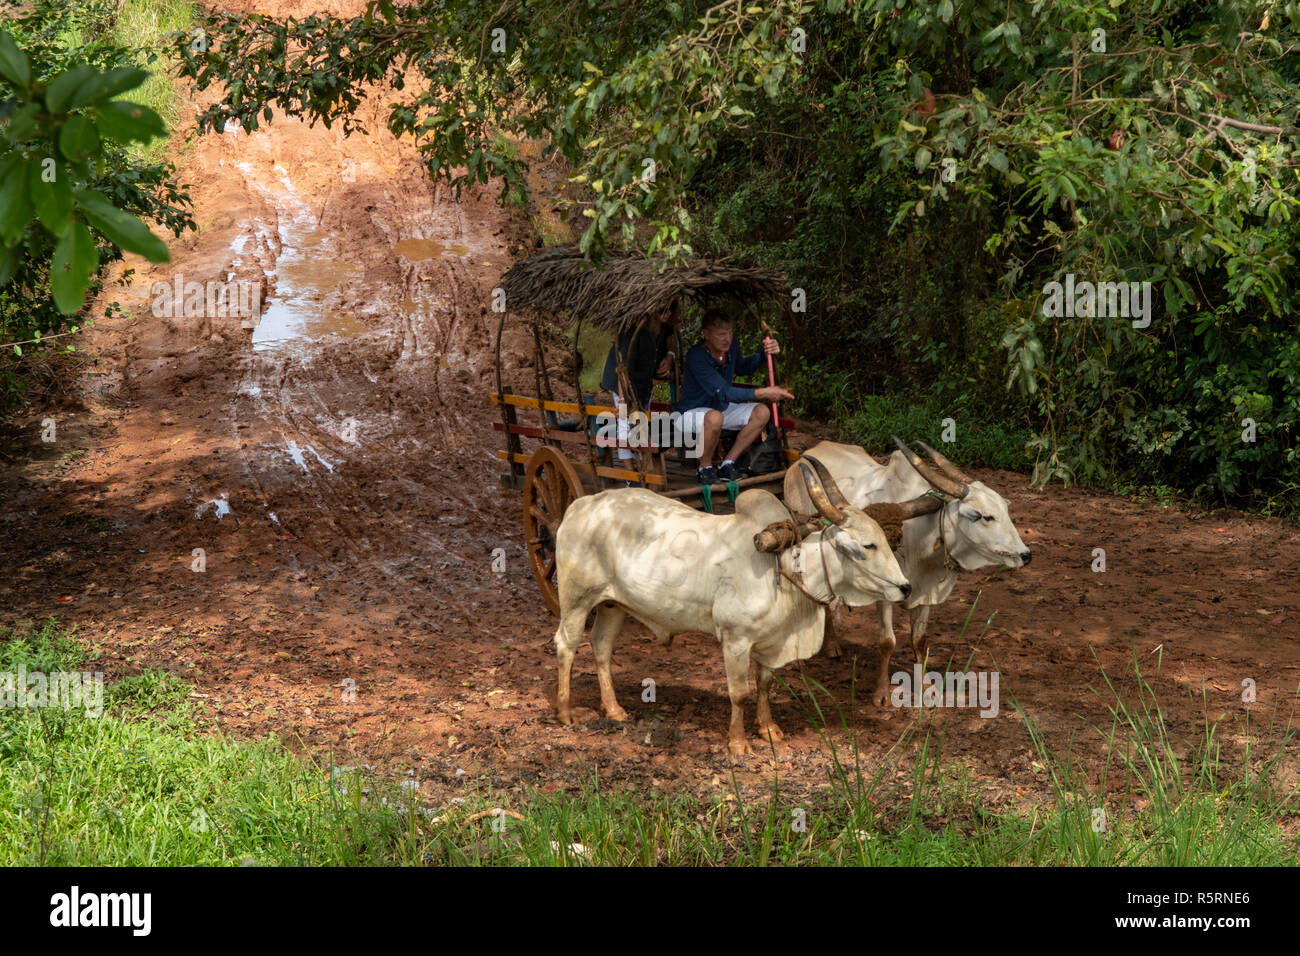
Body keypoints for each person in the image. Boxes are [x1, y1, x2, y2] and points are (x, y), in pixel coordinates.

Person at [677, 311, 793, 483]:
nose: (728, 339)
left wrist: (764, 354)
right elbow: (723, 391)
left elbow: (742, 367)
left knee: (762, 412)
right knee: (715, 418)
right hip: (691, 412)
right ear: (706, 334)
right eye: (721, 334)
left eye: (730, 333)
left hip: (721, 407)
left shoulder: (731, 347)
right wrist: (764, 392)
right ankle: (705, 467)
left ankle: (728, 463)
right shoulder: (696, 356)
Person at [599, 310, 676, 462]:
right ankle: (630, 475)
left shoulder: (665, 328)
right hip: (622, 384)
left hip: (644, 384)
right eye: (662, 308)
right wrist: (622, 401)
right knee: (625, 423)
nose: (667, 312)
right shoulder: (633, 333)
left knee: (641, 423)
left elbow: (670, 342)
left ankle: (643, 463)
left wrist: (670, 355)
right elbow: (623, 369)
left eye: (671, 307)